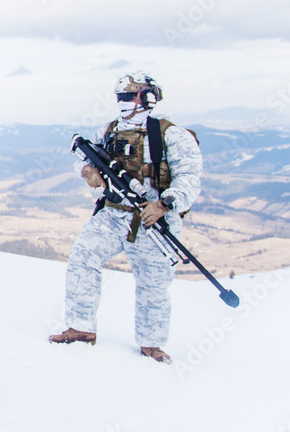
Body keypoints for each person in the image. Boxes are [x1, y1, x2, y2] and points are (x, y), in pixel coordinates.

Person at [49, 72, 202, 364]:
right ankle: (81, 328)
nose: (123, 102)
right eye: (120, 97)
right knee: (83, 259)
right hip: (113, 213)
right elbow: (86, 157)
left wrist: (165, 204)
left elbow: (191, 178)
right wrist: (87, 172)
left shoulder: (170, 134)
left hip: (153, 221)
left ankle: (152, 344)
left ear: (147, 98)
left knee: (153, 284)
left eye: (129, 96)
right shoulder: (109, 130)